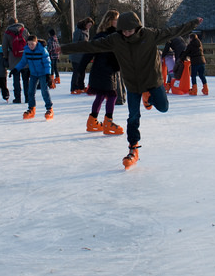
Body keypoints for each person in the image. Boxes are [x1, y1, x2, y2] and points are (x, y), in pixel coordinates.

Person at [61, 12, 202, 170]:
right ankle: (133, 148)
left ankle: (149, 98)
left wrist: (193, 23)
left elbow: (173, 31)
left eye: (129, 30)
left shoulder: (149, 35)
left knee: (164, 107)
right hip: (133, 84)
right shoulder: (116, 39)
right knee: (133, 117)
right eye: (123, 31)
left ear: (137, 27)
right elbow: (90, 46)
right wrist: (64, 48)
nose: (126, 34)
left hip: (152, 80)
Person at [85, 11, 123, 134]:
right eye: (117, 20)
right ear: (110, 21)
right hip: (106, 70)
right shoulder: (111, 35)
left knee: (101, 95)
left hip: (99, 70)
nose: (119, 23)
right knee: (112, 95)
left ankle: (92, 121)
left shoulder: (101, 34)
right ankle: (108, 123)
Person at [14, 34, 54, 120]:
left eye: (32, 44)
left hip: (43, 74)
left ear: (36, 43)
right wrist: (16, 69)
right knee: (30, 91)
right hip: (33, 74)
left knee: (44, 91)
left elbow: (47, 63)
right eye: (29, 44)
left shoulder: (42, 50)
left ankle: (49, 109)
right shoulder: (27, 51)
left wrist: (48, 75)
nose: (31, 46)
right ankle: (31, 109)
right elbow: (23, 62)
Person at [1, 20, 29, 103]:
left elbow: (4, 46)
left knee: (16, 80)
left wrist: (6, 57)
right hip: (24, 58)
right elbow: (30, 42)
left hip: (13, 58)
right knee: (26, 80)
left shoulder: (7, 33)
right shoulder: (24, 30)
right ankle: (28, 97)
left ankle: (17, 98)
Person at [69, 17, 95, 94]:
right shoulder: (78, 31)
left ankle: (81, 86)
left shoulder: (87, 31)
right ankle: (74, 87)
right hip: (76, 55)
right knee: (77, 72)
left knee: (82, 71)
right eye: (89, 25)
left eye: (90, 26)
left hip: (82, 55)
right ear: (85, 24)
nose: (89, 27)